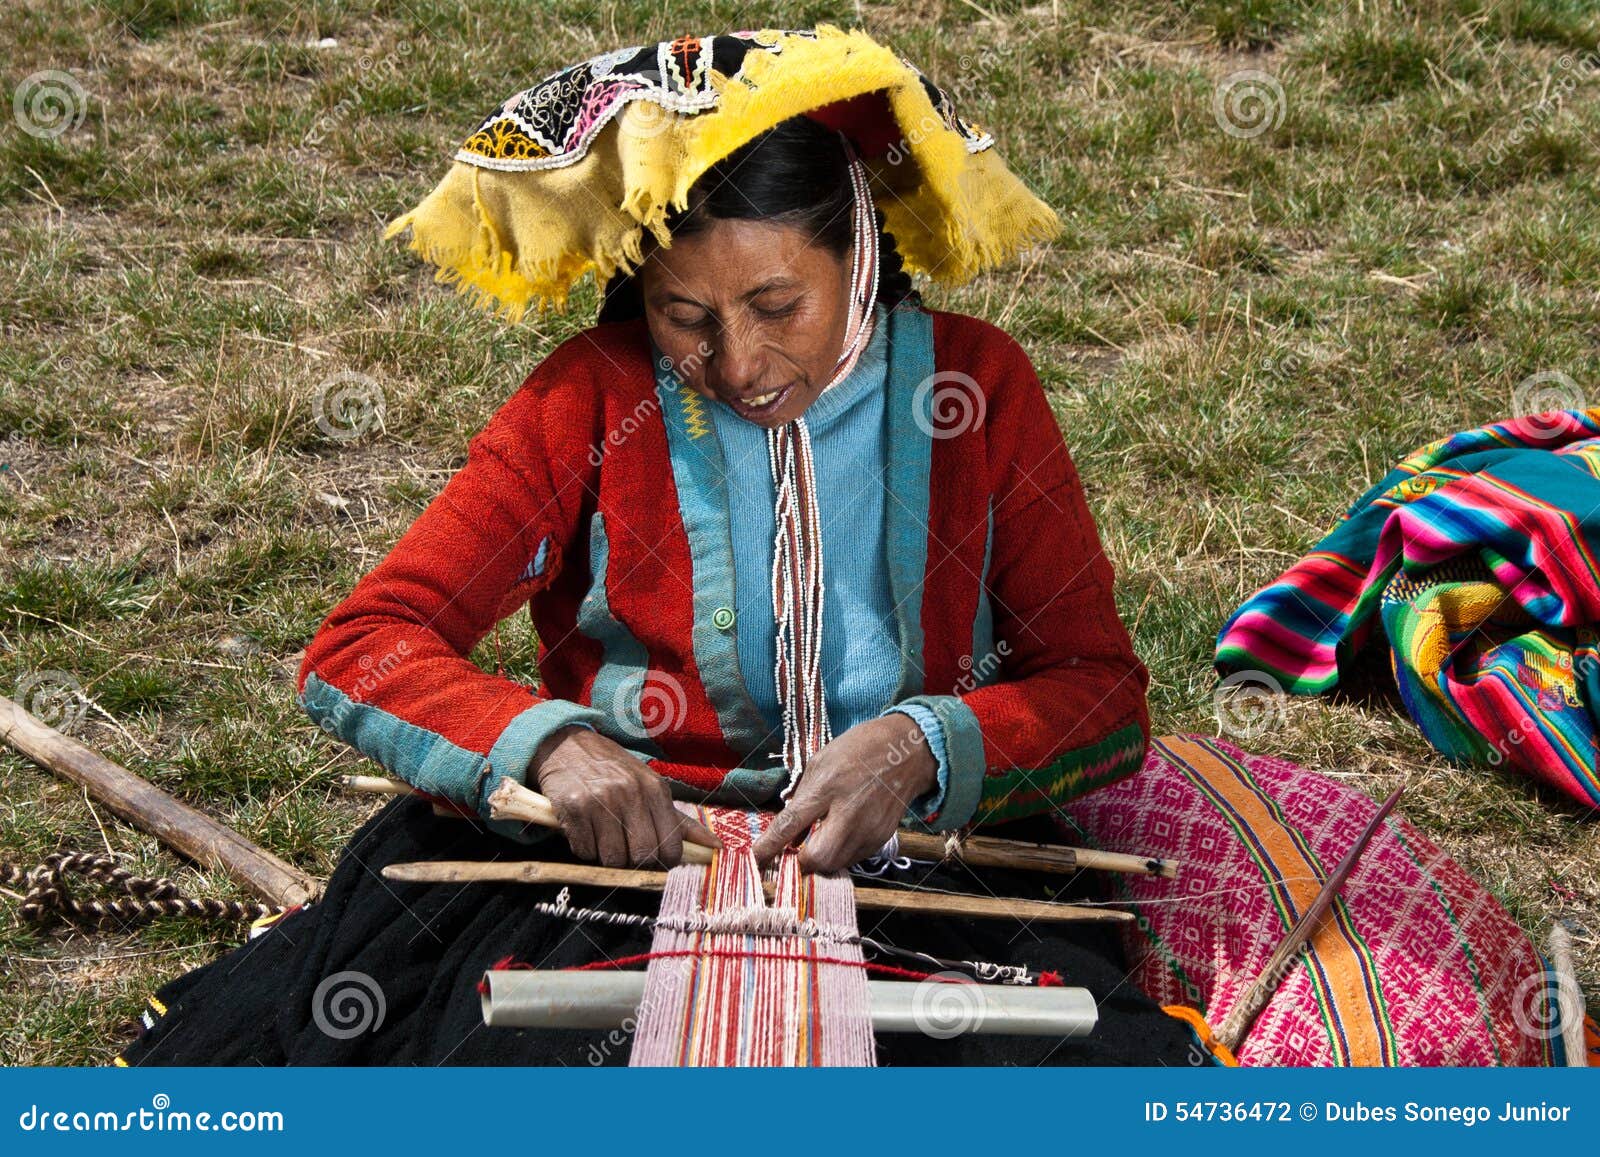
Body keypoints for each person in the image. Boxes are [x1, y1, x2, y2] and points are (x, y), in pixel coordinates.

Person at [114, 26, 1206, 1067]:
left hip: (921, 872)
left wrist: (920, 744)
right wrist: (548, 747)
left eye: (780, 303)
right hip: (610, 874)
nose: (739, 363)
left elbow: (1097, 689)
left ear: (858, 250)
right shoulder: (591, 398)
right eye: (687, 316)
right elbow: (366, 645)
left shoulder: (975, 391)